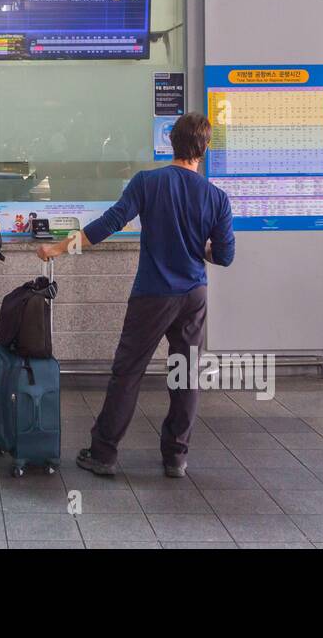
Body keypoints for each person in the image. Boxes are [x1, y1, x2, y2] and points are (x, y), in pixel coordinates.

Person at [37, 112, 234, 479]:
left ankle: (104, 454)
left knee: (128, 372)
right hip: (193, 295)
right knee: (185, 374)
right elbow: (224, 256)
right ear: (204, 149)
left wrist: (60, 248)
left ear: (171, 143)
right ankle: (176, 458)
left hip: (153, 294)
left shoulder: (148, 182)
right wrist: (199, 248)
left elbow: (108, 224)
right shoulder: (216, 198)